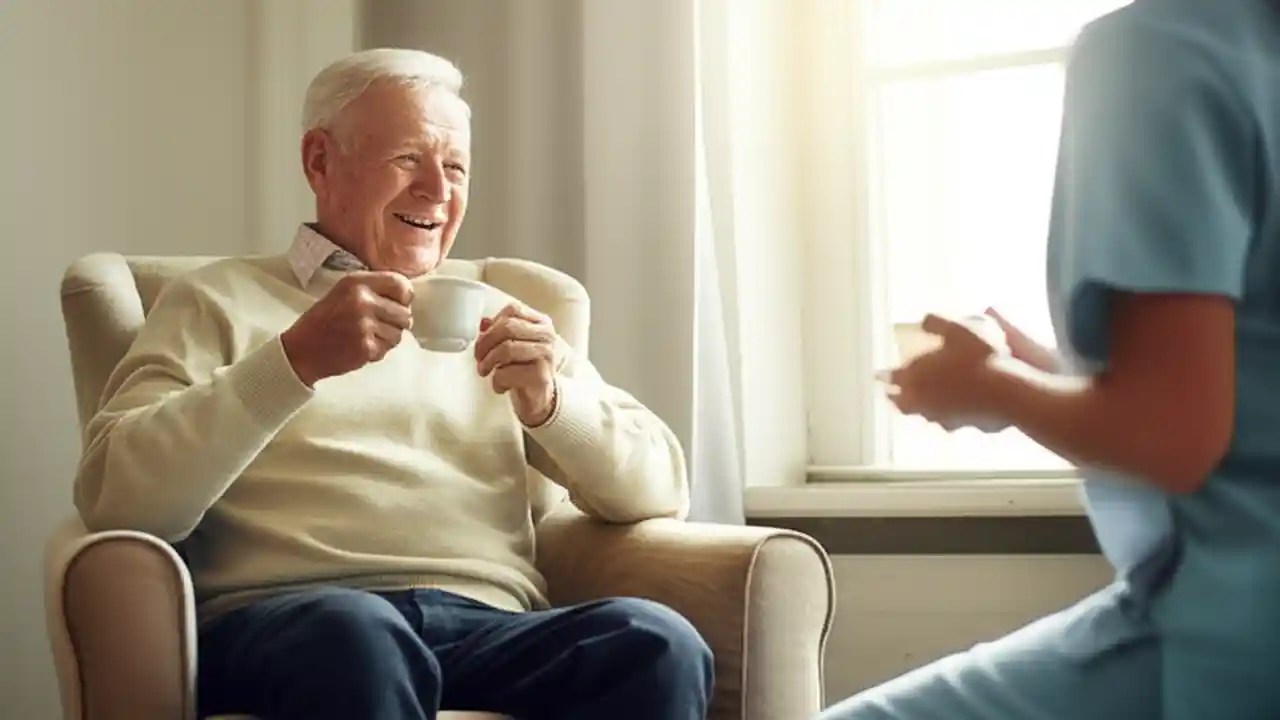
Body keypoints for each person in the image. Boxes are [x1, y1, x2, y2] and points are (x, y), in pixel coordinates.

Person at [73, 48, 713, 720]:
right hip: (299, 621)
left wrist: (552, 403)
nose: (438, 190)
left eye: (456, 167)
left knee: (655, 642)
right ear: (320, 162)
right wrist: (292, 362)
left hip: (484, 623)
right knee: (357, 637)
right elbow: (118, 496)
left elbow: (661, 486)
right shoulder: (214, 300)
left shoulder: (500, 317)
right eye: (409, 158)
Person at [819, 0, 1280, 718]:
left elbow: (1171, 435)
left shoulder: (1163, 47)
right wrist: (1044, 380)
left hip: (1234, 634)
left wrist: (996, 388)